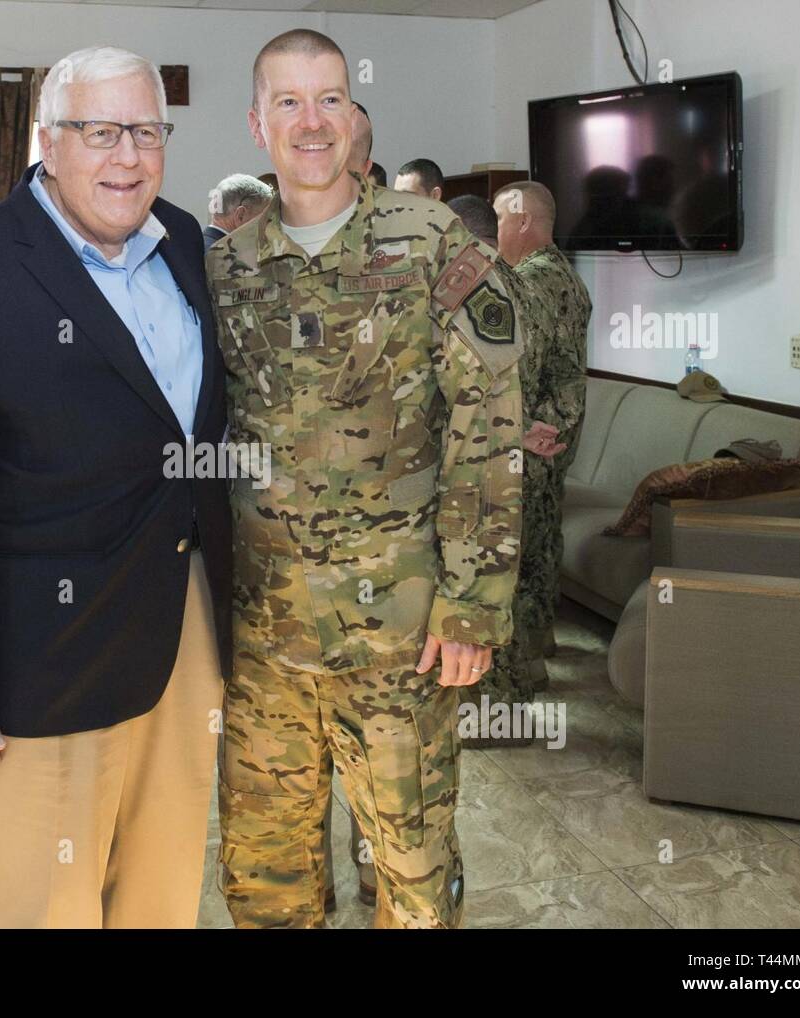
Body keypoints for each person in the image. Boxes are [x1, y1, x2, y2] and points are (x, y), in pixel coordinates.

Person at [0, 45, 232, 929]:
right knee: (44, 903)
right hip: (44, 657)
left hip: (183, 630)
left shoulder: (188, 242)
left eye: (147, 131)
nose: (128, 156)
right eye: (101, 131)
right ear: (46, 140)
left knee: (162, 884)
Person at [208, 28, 525, 929]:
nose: (313, 122)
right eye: (289, 102)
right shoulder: (224, 269)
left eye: (330, 99)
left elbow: (489, 433)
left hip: (401, 634)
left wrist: (473, 605)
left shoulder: (437, 250)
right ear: (257, 123)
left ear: (355, 114)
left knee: (414, 875)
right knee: (264, 875)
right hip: (264, 640)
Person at [487, 180, 591, 702]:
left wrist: (519, 430)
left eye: (499, 219)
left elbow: (516, 372)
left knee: (520, 558)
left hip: (528, 442)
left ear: (523, 220)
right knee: (545, 542)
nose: (495, 229)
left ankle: (522, 668)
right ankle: (539, 647)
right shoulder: (570, 279)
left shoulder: (525, 284)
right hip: (556, 437)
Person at [204, 173, 273, 251]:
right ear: (241, 215)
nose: (268, 227)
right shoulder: (223, 257)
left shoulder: (199, 248)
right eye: (265, 218)